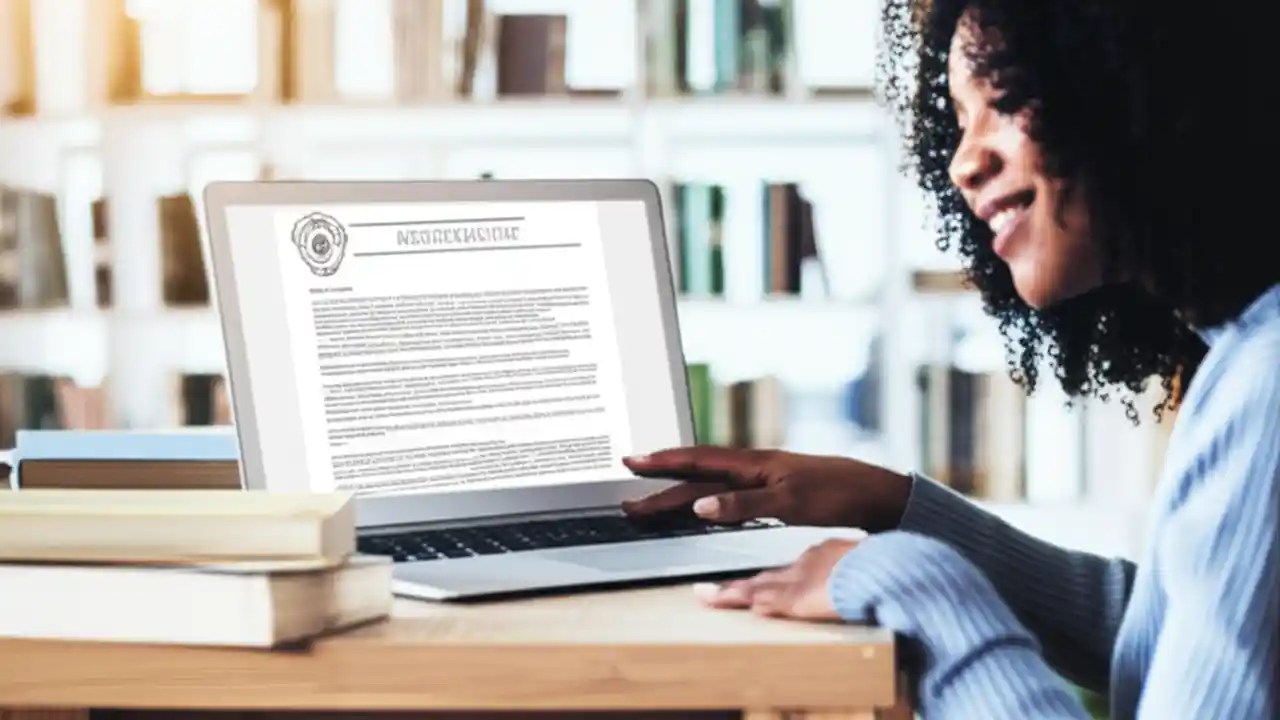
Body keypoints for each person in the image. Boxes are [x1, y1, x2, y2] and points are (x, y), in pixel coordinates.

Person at [622, 1, 1278, 718]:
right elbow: (1163, 629)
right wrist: (891, 506)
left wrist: (912, 582)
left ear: (1149, 81)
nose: (964, 163)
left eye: (1007, 98)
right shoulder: (1246, 355)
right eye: (961, 119)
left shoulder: (1265, 387)